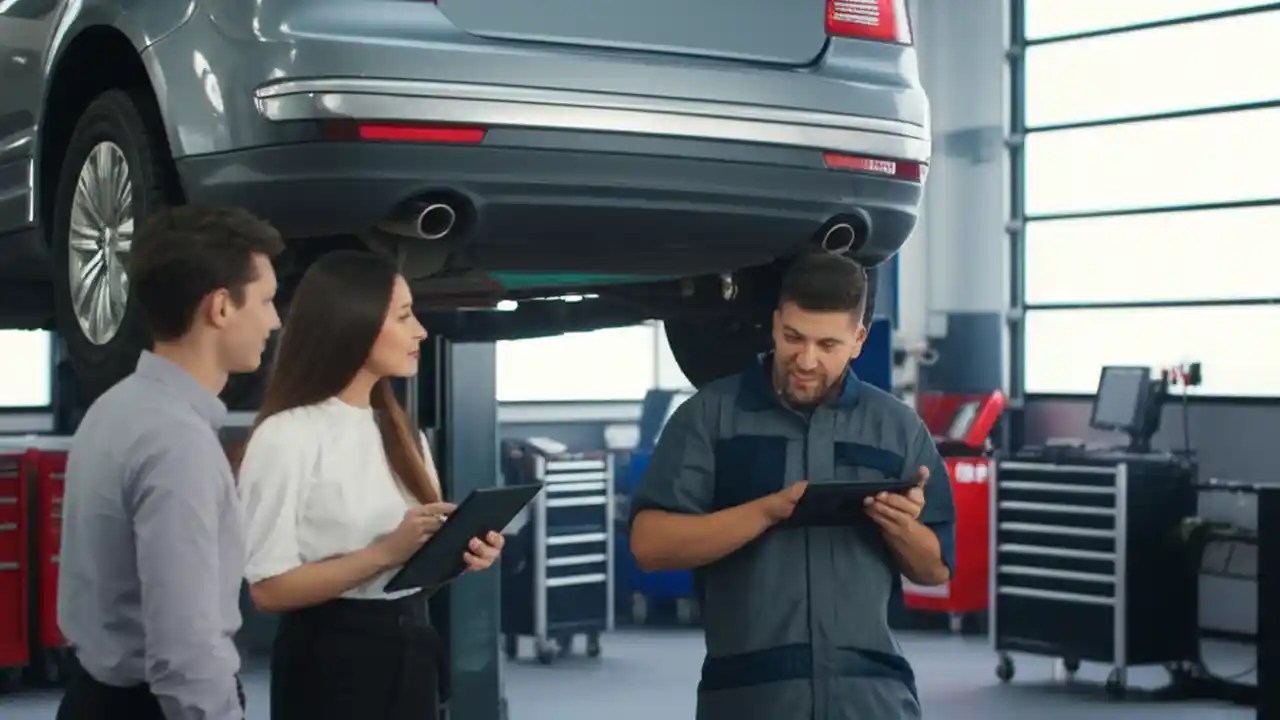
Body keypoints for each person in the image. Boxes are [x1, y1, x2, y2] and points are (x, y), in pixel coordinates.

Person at [629, 251, 956, 720]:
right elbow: (649, 544)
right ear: (776, 322)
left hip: (872, 698)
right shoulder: (710, 418)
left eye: (828, 345)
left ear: (858, 340)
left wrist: (901, 528)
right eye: (793, 338)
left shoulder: (898, 428)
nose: (806, 360)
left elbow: (935, 569)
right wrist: (765, 512)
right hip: (752, 698)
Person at [235, 250, 505, 720]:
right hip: (330, 665)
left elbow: (403, 573)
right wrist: (385, 553)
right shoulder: (287, 435)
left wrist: (456, 555)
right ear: (352, 323)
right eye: (404, 316)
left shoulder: (403, 433)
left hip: (410, 651)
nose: (420, 330)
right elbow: (269, 590)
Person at [57, 205, 285, 720]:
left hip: (96, 695)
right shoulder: (177, 443)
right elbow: (186, 648)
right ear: (220, 307)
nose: (275, 320)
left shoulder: (116, 408)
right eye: (268, 300)